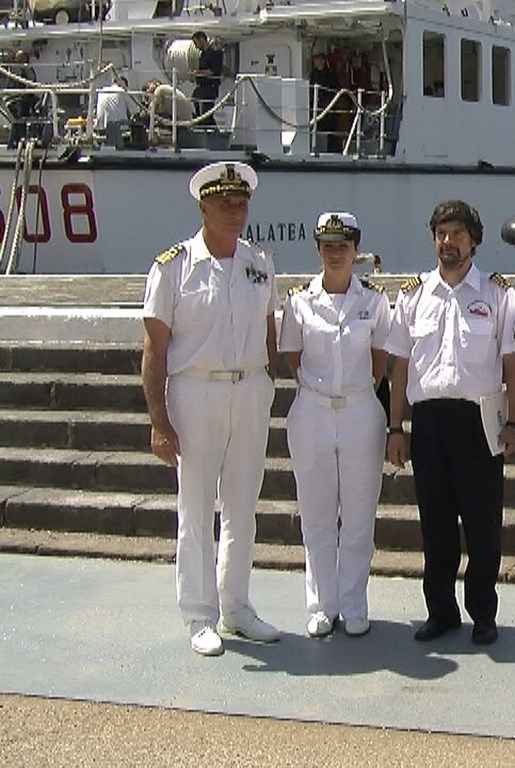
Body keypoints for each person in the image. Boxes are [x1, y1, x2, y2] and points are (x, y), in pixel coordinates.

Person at [141, 161, 281, 657]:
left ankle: (236, 606)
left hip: (248, 391)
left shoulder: (258, 263)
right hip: (194, 393)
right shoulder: (173, 266)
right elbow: (154, 350)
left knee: (243, 506)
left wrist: (264, 386)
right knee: (196, 509)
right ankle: (199, 614)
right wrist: (159, 421)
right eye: (224, 203)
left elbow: (269, 334)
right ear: (202, 207)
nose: (235, 211)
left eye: (241, 203)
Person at [385, 200, 515, 645]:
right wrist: (395, 428)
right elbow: (399, 367)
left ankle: (483, 613)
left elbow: (512, 364)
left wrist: (513, 423)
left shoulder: (497, 294)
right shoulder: (412, 296)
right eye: (442, 234)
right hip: (428, 421)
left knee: (483, 524)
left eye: (458, 234)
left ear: (474, 241)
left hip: (478, 420)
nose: (449, 242)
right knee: (436, 523)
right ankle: (440, 610)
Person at [279, 212, 391, 639]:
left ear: (356, 248)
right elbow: (293, 356)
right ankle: (321, 604)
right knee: (317, 514)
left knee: (360, 514)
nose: (336, 252)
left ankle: (354, 602)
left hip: (361, 410)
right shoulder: (299, 301)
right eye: (327, 244)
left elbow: (380, 358)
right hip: (312, 411)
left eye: (344, 244)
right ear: (318, 249)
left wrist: (360, 389)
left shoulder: (374, 301)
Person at [308, 52, 341, 153]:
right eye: (314, 60)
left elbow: (335, 90)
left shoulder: (330, 75)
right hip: (315, 108)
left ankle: (328, 151)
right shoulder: (313, 75)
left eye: (317, 59)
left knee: (328, 131)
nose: (315, 62)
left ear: (322, 61)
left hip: (328, 109)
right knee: (316, 130)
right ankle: (315, 149)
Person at [190, 31, 224, 125]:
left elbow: (214, 71)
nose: (196, 46)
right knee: (194, 99)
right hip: (202, 87)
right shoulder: (203, 55)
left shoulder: (215, 54)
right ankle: (199, 122)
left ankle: (210, 130)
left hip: (210, 88)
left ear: (202, 40)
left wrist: (199, 72)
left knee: (207, 113)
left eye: (196, 43)